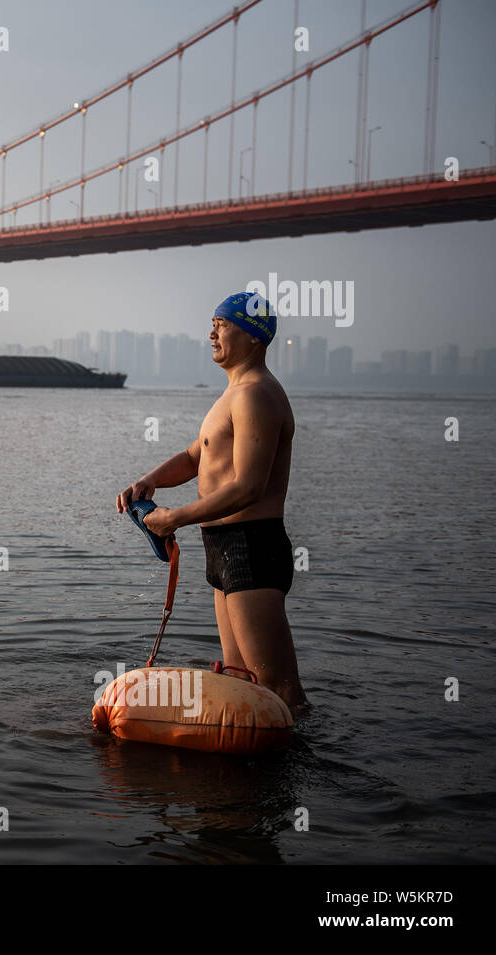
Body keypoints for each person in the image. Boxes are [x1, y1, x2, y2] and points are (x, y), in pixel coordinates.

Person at [115, 291, 308, 713]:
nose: (211, 333)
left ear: (255, 336)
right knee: (243, 682)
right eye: (213, 324)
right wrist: (149, 481)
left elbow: (248, 488)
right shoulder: (232, 395)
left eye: (222, 324)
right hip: (222, 545)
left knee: (279, 688)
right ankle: (249, 775)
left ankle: (310, 766)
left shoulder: (257, 394)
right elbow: (193, 457)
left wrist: (174, 519)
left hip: (252, 544)